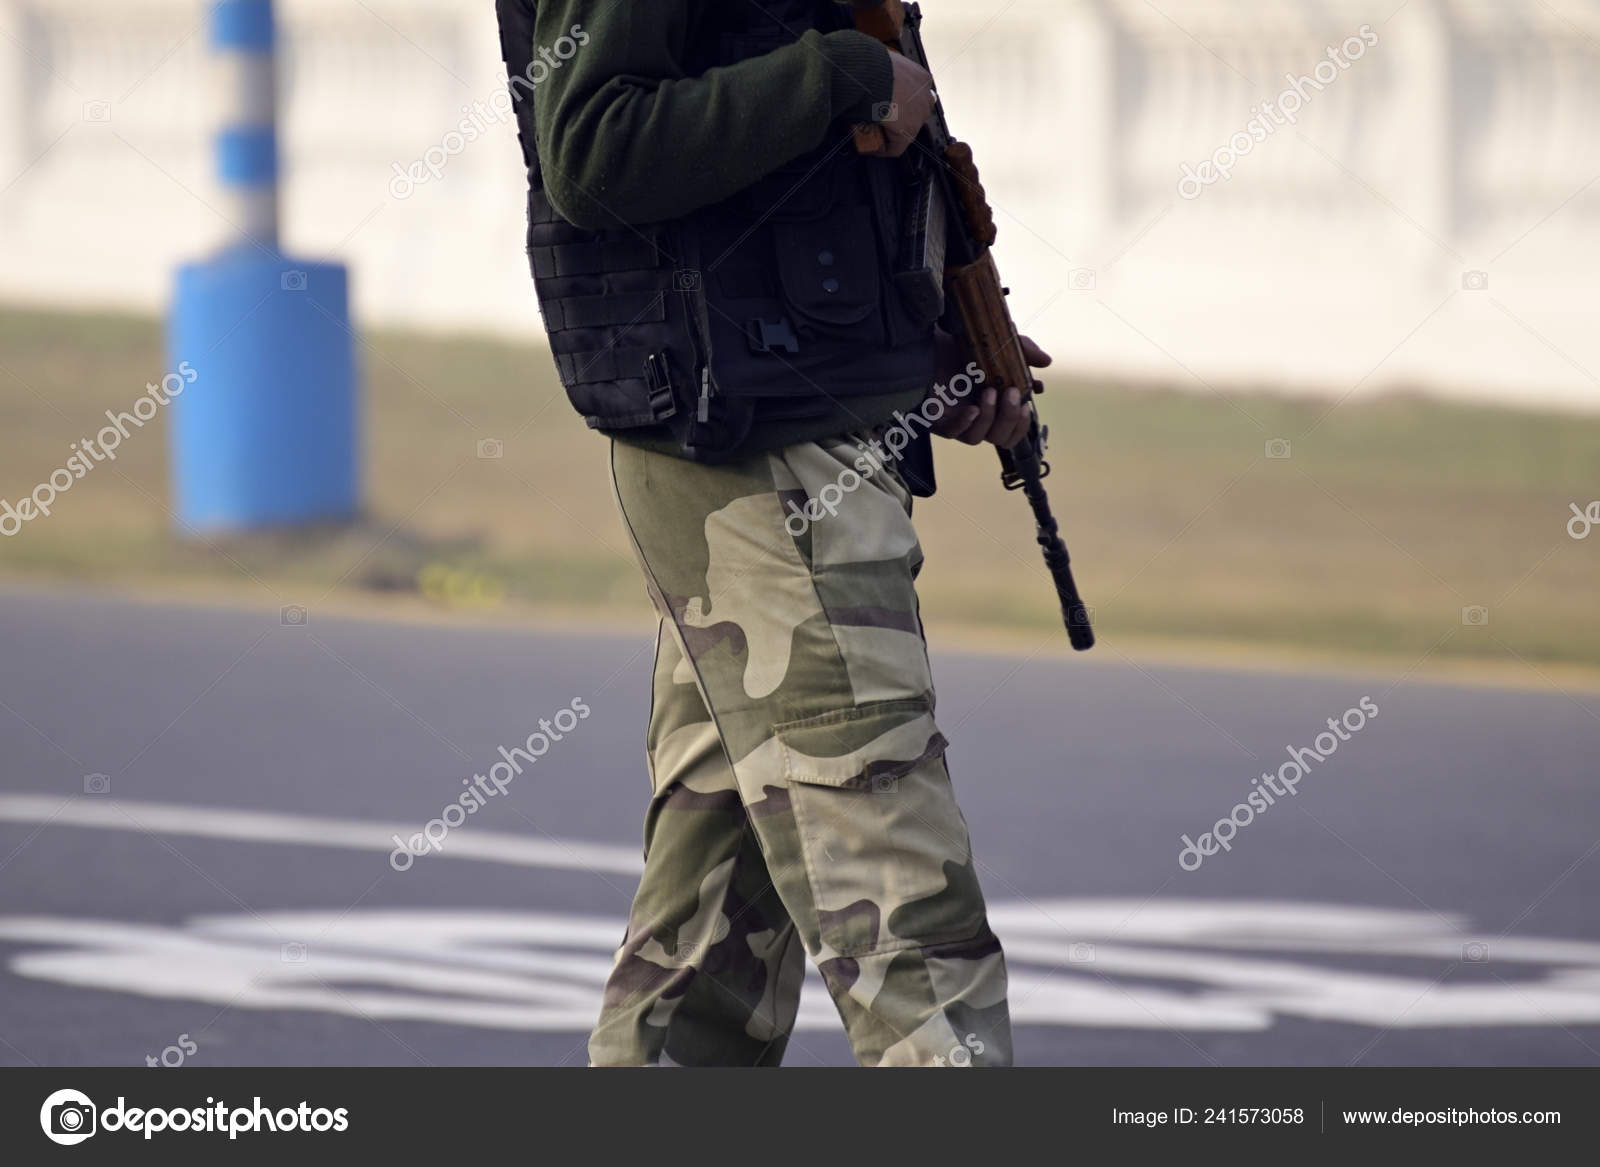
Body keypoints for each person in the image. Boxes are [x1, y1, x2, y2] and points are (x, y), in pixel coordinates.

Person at [496, 0, 1052, 1067]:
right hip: (758, 463)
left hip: (796, 429)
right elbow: (594, 148)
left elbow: (819, 182)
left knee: (710, 943)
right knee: (909, 927)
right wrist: (840, 75)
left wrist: (916, 341)